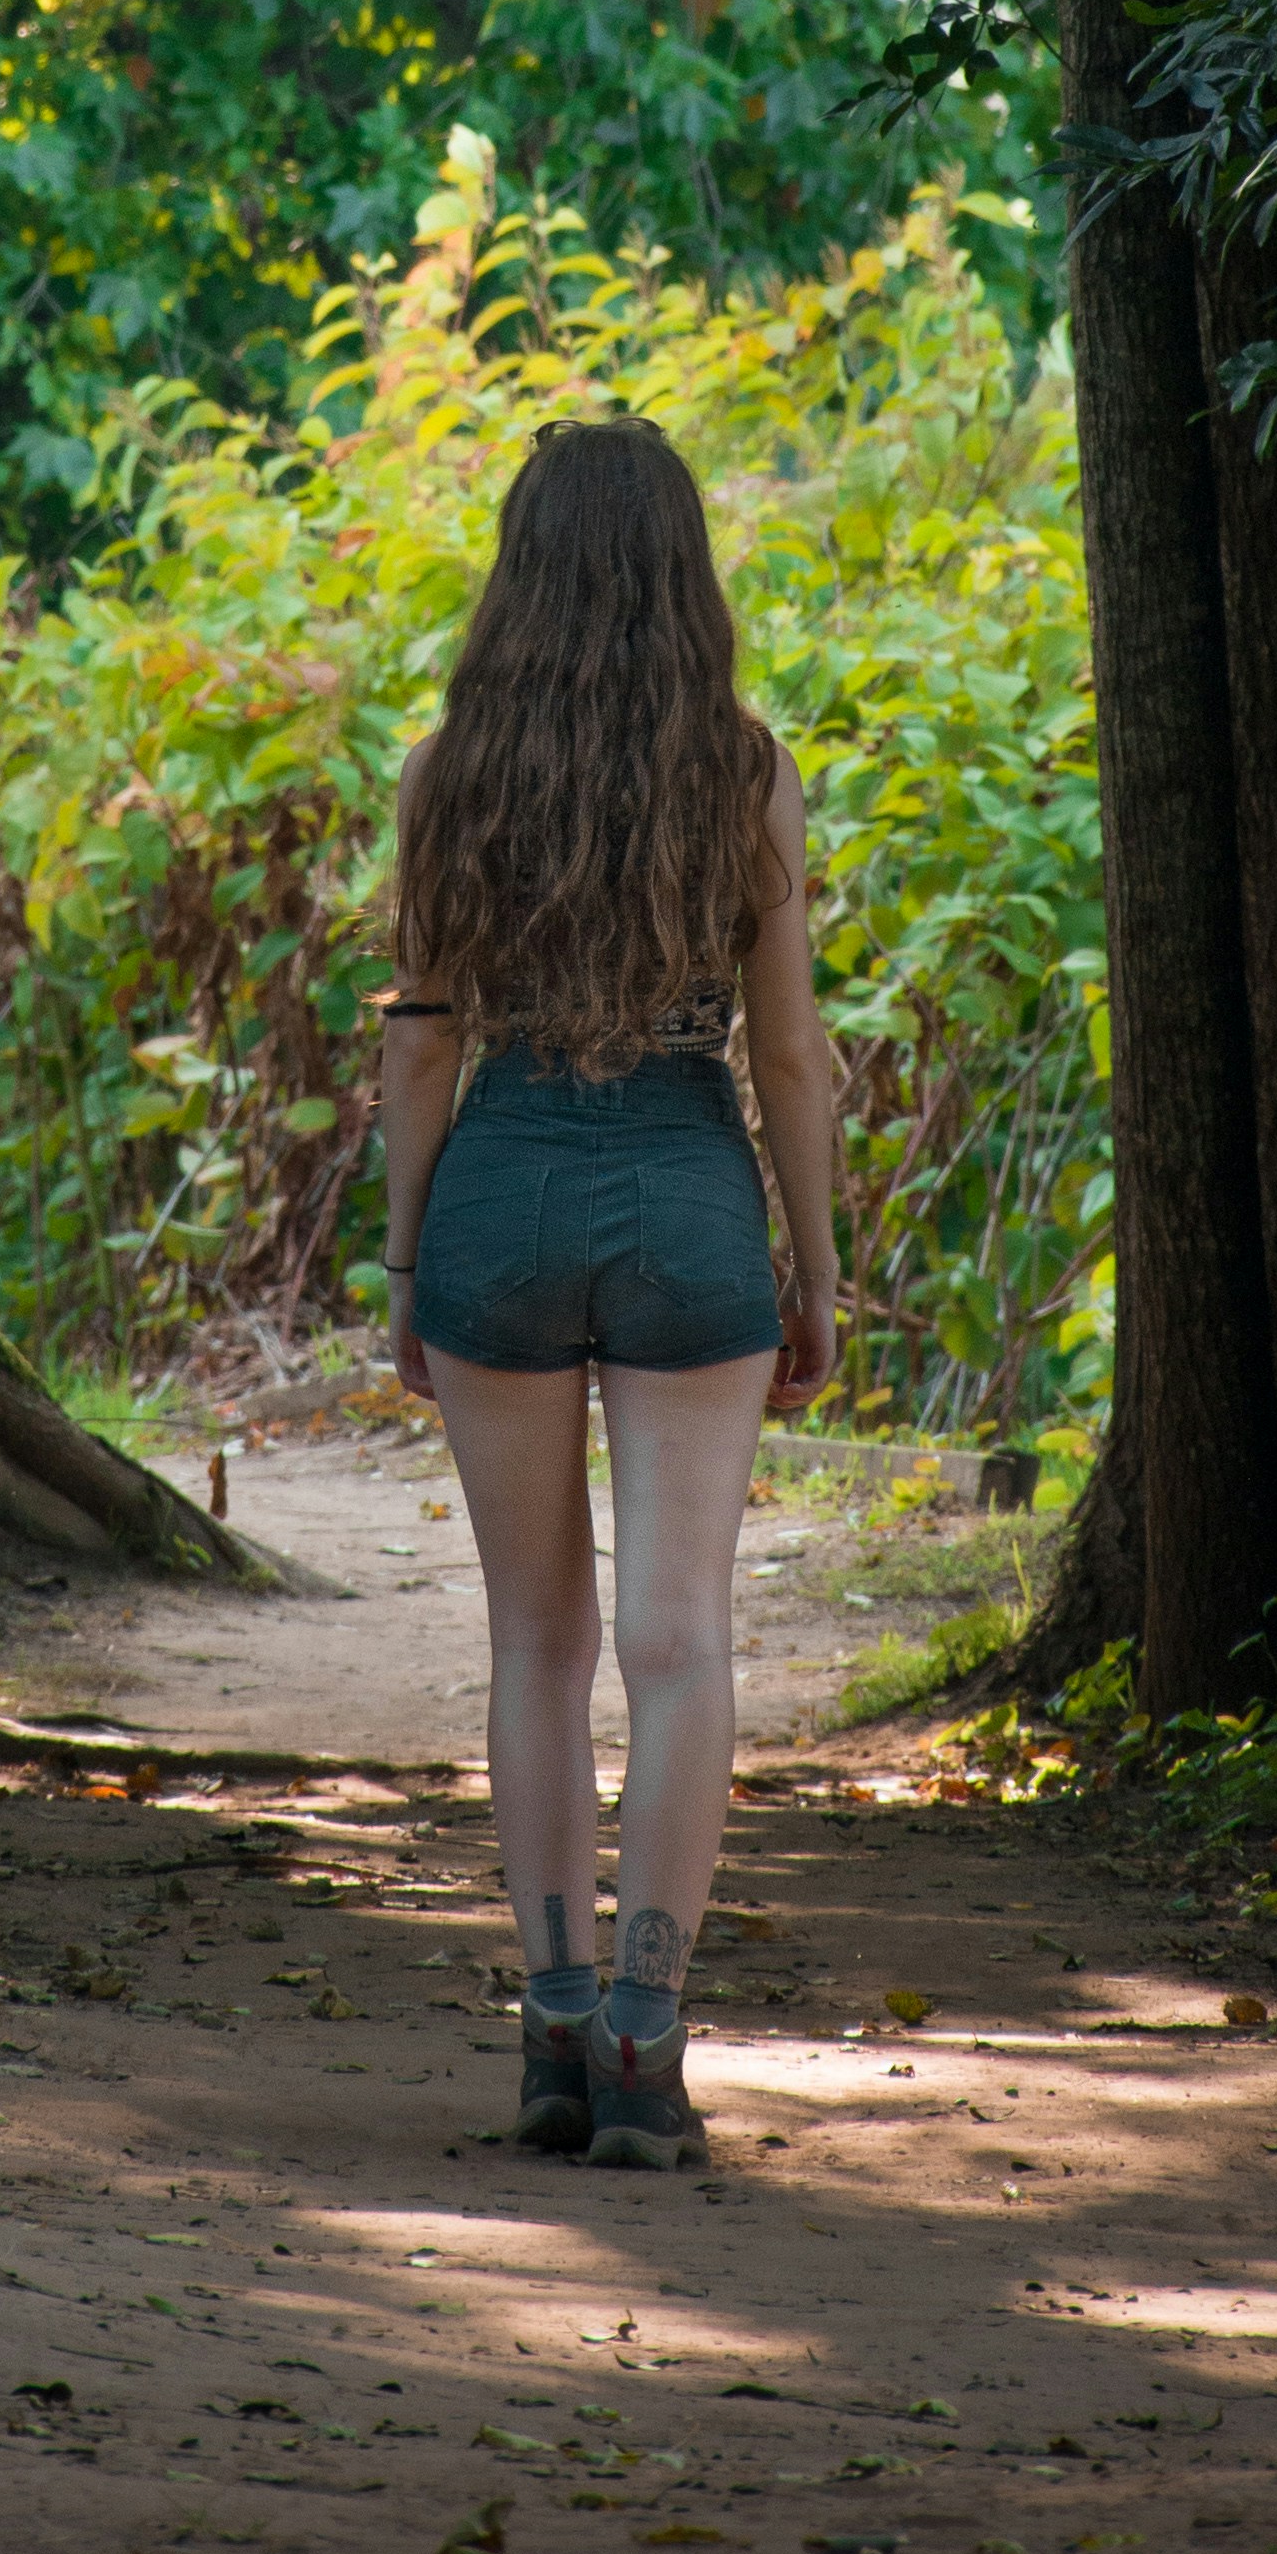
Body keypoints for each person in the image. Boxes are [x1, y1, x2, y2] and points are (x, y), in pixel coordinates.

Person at [375, 415, 843, 2171]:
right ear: (681, 567)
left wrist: (412, 1263)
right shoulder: (743, 770)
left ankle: (554, 2021)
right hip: (686, 1190)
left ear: (520, 569)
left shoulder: (448, 774)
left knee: (532, 1637)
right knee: (678, 1637)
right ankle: (653, 2033)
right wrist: (814, 1263)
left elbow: (422, 1050)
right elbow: (785, 1053)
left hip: (498, 1190)